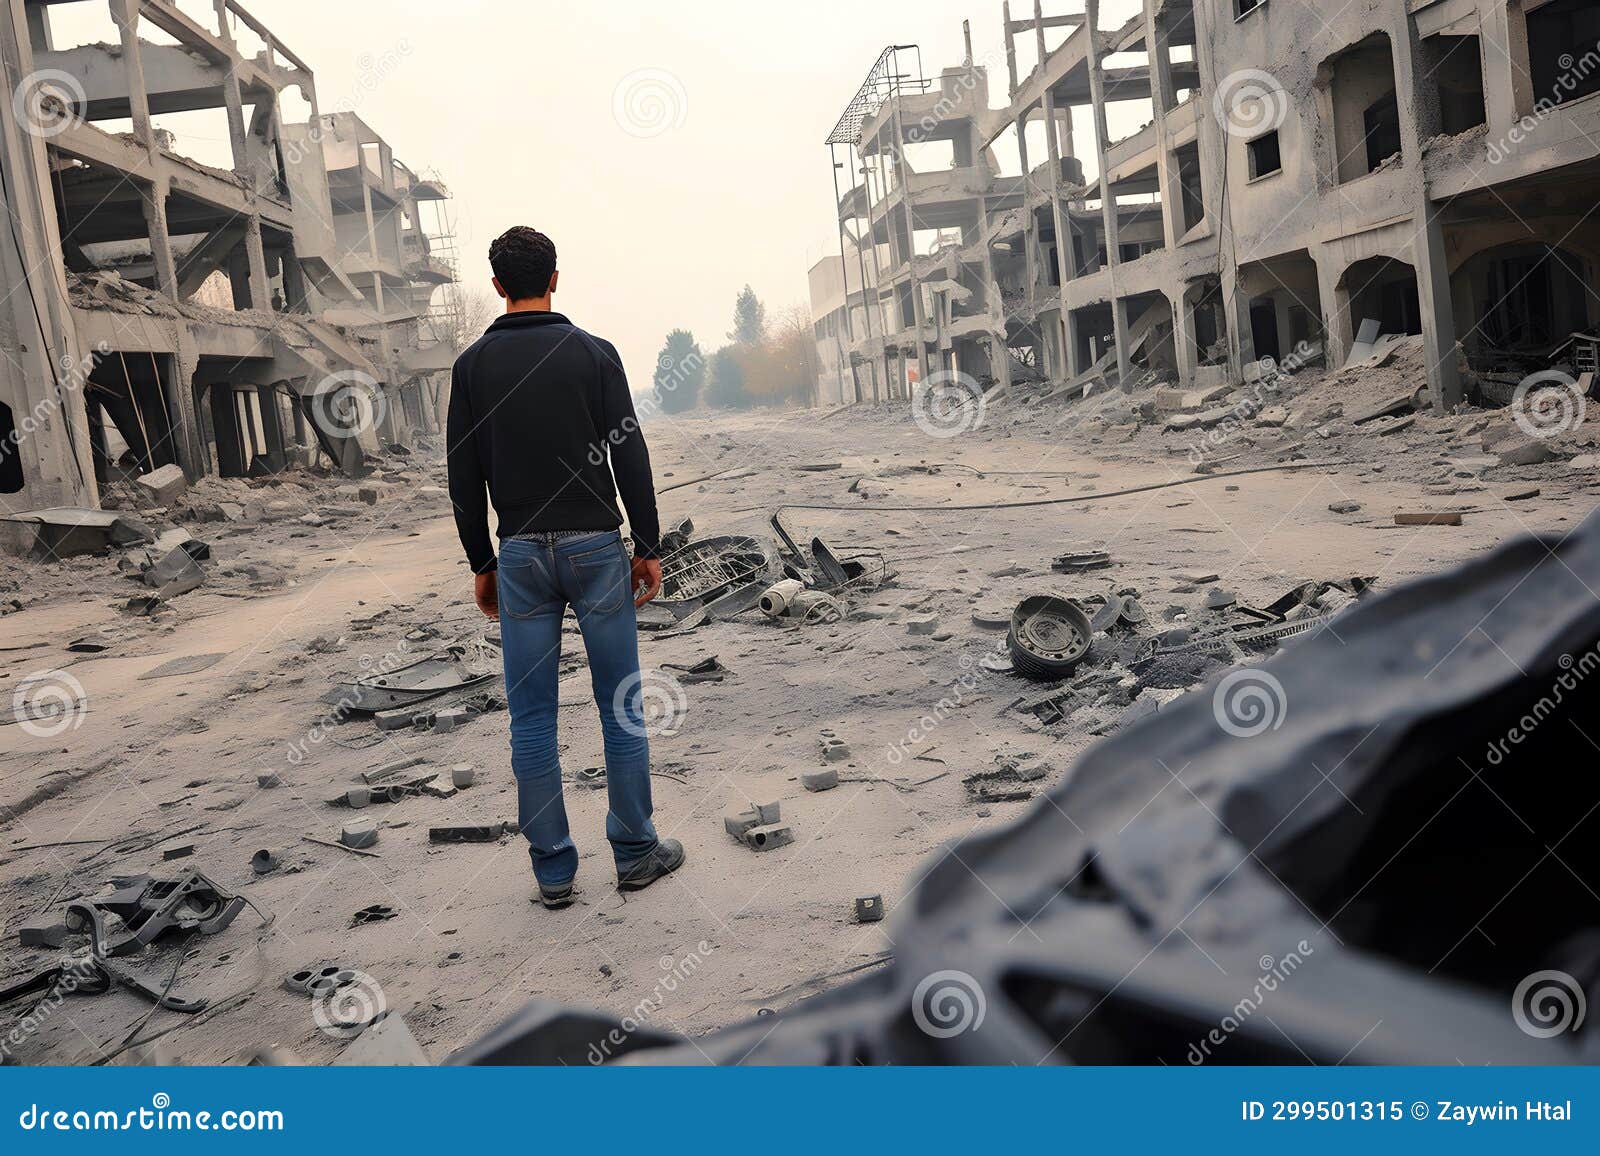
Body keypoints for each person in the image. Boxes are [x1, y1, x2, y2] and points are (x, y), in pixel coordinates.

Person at [446, 225, 684, 909]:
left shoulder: (470, 368)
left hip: (519, 555)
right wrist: (647, 544)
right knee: (621, 708)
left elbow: (463, 478)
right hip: (594, 549)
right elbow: (629, 457)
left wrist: (481, 561)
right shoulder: (594, 354)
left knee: (532, 719)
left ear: (497, 285)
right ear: (555, 278)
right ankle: (636, 852)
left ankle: (553, 872)